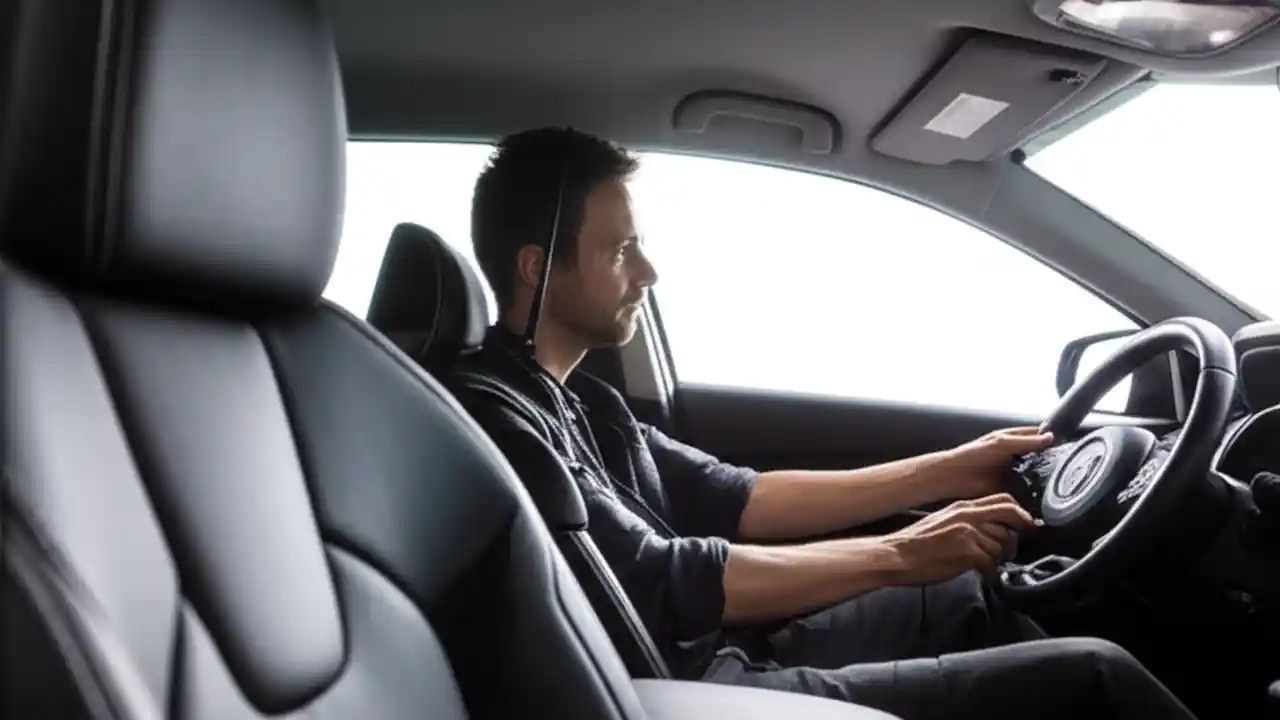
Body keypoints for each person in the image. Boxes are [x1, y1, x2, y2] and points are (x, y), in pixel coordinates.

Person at [445, 126, 1197, 719]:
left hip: (722, 646)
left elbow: (742, 496)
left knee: (978, 588)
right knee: (1095, 676)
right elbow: (665, 582)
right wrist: (900, 553)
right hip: (693, 685)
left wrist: (954, 468)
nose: (647, 272)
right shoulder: (499, 416)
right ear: (538, 268)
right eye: (620, 250)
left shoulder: (584, 404)